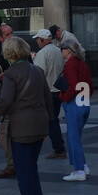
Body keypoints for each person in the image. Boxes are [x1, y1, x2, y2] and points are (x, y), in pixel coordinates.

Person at [0, 36, 52, 195]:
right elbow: (48, 98)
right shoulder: (38, 71)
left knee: (24, 170)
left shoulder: (10, 74)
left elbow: (6, 100)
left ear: (9, 53)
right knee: (31, 168)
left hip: (21, 127)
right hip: (39, 124)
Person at [58, 37, 93, 181]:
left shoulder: (70, 65)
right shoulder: (82, 64)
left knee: (73, 138)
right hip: (84, 103)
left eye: (62, 49)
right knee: (76, 137)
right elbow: (89, 85)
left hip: (74, 104)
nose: (61, 51)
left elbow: (73, 85)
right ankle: (82, 165)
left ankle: (79, 170)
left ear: (68, 50)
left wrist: (64, 97)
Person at [32, 29, 66, 160]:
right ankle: (58, 147)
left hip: (48, 91)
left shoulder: (42, 53)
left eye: (38, 39)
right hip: (58, 91)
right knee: (53, 119)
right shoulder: (58, 50)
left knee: (51, 121)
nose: (37, 42)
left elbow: (38, 74)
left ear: (42, 39)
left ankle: (59, 148)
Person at [0, 24, 19, 179]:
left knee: (11, 132)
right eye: (7, 34)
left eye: (12, 33)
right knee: (4, 133)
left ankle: (14, 164)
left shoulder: (20, 47)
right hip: (7, 94)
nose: (11, 36)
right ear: (0, 37)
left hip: (18, 97)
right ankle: (12, 164)